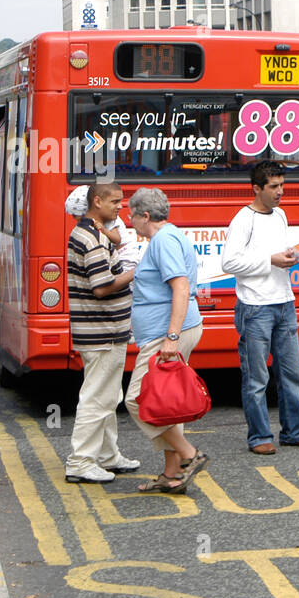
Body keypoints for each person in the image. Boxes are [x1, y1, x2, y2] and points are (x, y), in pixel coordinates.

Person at [220, 160, 299, 455]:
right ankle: (259, 437)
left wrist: (291, 255)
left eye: (282, 186)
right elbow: (229, 263)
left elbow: (278, 252)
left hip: (284, 302)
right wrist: (270, 260)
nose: (280, 192)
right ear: (257, 189)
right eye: (274, 187)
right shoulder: (243, 219)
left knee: (292, 374)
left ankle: (295, 432)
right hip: (255, 306)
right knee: (256, 378)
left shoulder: (280, 215)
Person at [123, 188, 208, 494]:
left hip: (168, 334)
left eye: (131, 215)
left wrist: (171, 338)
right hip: (165, 332)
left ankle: (189, 454)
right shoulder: (165, 238)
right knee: (164, 404)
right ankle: (172, 475)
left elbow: (181, 288)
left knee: (138, 400)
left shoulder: (163, 241)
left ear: (145, 216)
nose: (129, 221)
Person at [63, 182, 138, 483]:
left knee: (109, 395)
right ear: (97, 202)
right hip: (102, 329)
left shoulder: (94, 234)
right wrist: (135, 272)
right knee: (97, 398)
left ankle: (107, 455)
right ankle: (80, 462)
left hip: (104, 329)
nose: (121, 207)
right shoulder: (92, 239)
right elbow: (102, 287)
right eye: (115, 202)